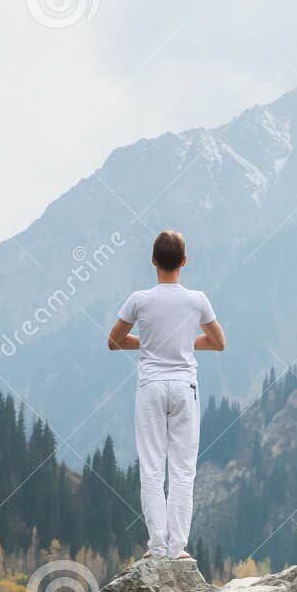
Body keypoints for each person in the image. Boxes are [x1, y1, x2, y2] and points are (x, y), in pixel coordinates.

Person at [107, 230, 225, 560]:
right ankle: (178, 549)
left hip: (152, 388)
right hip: (185, 388)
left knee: (152, 469)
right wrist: (184, 343)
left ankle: (157, 546)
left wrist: (149, 342)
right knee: (183, 470)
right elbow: (218, 342)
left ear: (153, 261)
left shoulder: (139, 300)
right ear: (184, 262)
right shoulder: (197, 300)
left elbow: (114, 340)